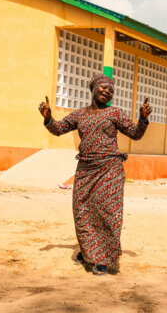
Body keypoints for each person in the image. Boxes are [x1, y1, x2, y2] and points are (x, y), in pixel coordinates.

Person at [38, 74, 151, 276]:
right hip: (86, 169)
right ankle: (89, 250)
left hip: (110, 169)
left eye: (111, 90)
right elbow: (58, 129)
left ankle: (103, 259)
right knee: (82, 211)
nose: (107, 91)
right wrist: (47, 117)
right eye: (103, 87)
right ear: (93, 89)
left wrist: (142, 118)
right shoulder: (80, 115)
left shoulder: (115, 113)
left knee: (108, 212)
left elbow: (136, 133)